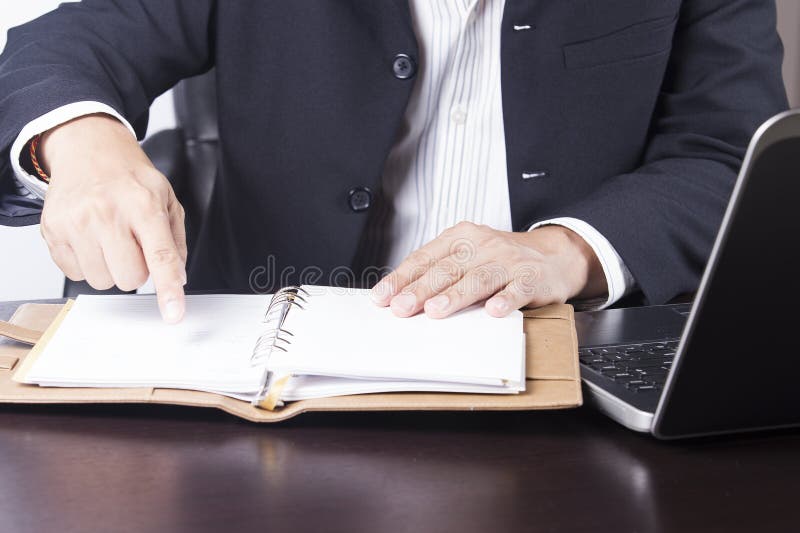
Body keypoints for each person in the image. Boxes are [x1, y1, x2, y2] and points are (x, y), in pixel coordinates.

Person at [0, 1, 788, 323]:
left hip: (559, 370)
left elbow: (729, 153)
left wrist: (567, 251)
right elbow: (66, 45)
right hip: (260, 389)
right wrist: (81, 140)